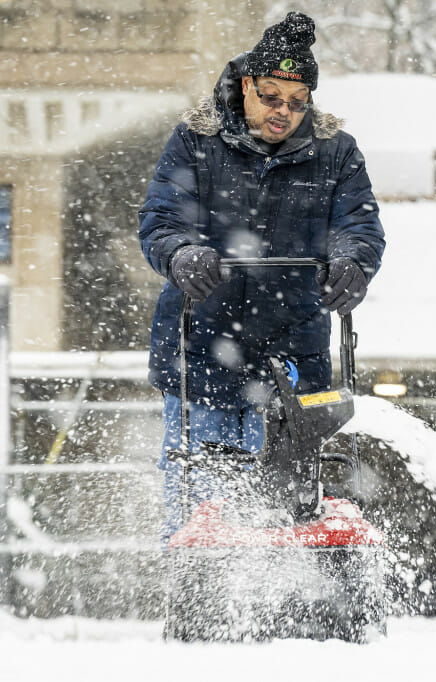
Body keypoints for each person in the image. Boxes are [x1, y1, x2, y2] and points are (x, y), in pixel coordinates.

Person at [138, 12, 385, 545]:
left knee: (292, 492)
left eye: (297, 103)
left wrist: (352, 263)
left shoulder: (335, 153)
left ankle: (301, 597)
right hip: (201, 346)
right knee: (198, 487)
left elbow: (359, 225)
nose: (284, 113)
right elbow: (162, 219)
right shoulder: (195, 143)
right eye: (272, 97)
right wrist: (182, 254)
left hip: (293, 352)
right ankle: (198, 595)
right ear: (246, 84)